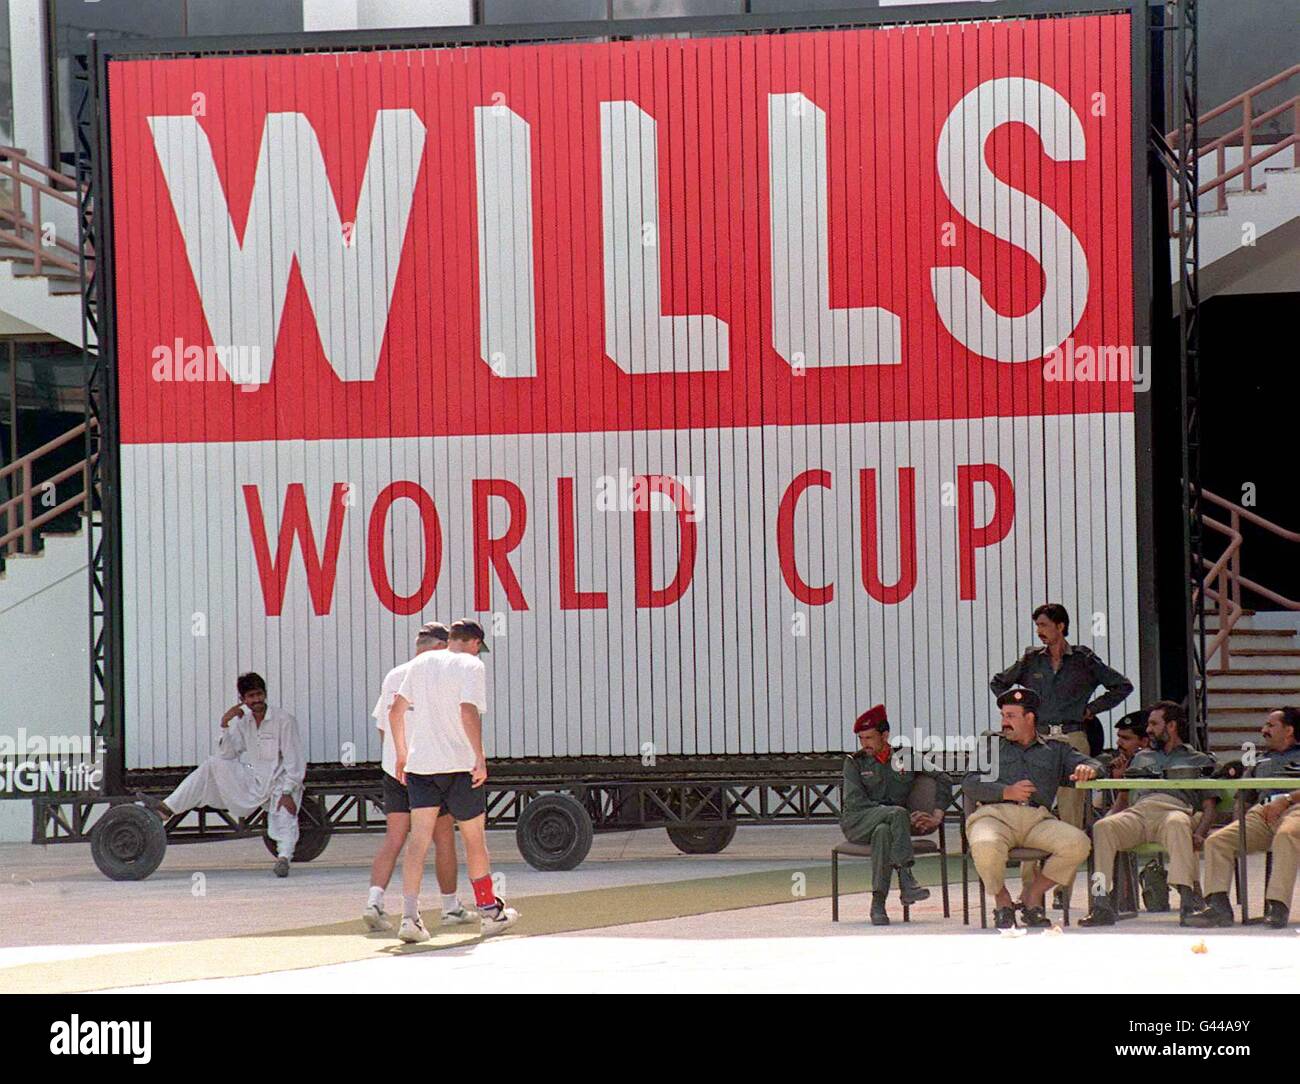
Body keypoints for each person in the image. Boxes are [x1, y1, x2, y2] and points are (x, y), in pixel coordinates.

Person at [990, 603, 1132, 906]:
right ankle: (1030, 892)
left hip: (1072, 734)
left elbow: (1121, 686)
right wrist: (1020, 714)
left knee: (1070, 815)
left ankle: (1059, 889)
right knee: (1029, 811)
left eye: (1044, 625)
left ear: (1061, 626)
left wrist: (1092, 709)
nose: (1040, 632)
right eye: (1038, 626)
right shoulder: (1031, 660)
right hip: (1036, 737)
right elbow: (999, 682)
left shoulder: (1083, 660)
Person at [388, 619, 519, 942]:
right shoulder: (471, 665)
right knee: (474, 839)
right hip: (460, 766)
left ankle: (409, 918)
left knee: (418, 841)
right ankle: (489, 910)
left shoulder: (421, 663)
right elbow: (467, 712)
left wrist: (402, 754)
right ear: (474, 642)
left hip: (421, 767)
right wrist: (480, 756)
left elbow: (395, 711)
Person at [364, 622, 474, 931]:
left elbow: (383, 723)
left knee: (395, 838)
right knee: (442, 838)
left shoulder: (394, 675)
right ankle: (450, 907)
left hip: (394, 768)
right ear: (440, 646)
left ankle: (374, 901)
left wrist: (394, 756)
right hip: (428, 768)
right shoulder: (442, 676)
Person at [138, 673, 305, 877]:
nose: (256, 700)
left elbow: (294, 761)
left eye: (259, 694)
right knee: (212, 765)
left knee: (284, 816)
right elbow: (226, 754)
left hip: (281, 783)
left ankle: (284, 859)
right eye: (251, 696)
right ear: (243, 700)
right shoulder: (244, 723)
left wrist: (288, 791)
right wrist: (225, 723)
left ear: (265, 694)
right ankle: (166, 809)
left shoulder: (283, 720)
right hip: (255, 783)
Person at [962, 688, 1099, 929]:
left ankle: (1032, 896)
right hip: (994, 816)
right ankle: (1002, 901)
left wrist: (1091, 769)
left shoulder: (1056, 749)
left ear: (1030, 718)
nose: (1005, 722)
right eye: (1003, 716)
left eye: (1011, 716)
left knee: (1078, 843)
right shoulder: (991, 743)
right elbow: (970, 781)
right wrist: (1006, 791)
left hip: (1037, 819)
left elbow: (1093, 763)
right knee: (985, 845)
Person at [1079, 700, 1215, 927]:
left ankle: (1188, 901)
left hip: (1175, 810)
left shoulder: (1199, 760)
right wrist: (1108, 817)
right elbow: (1123, 799)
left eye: (1154, 724)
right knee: (1103, 828)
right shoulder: (1141, 758)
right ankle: (1100, 902)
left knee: (1178, 823)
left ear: (1171, 726)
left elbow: (1210, 805)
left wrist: (1201, 832)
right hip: (1139, 813)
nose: (1148, 729)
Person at [1185, 706, 1300, 929]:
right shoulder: (1258, 761)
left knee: (1286, 835)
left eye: (1270, 725)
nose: (1263, 729)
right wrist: (1239, 820)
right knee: (1218, 841)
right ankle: (1218, 908)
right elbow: (1244, 797)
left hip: (1295, 808)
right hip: (1264, 813)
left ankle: (1278, 906)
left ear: (1289, 730)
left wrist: (1286, 799)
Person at [839, 704, 950, 926]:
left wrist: (937, 816)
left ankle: (878, 905)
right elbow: (855, 802)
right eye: (861, 739)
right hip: (858, 821)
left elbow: (943, 777)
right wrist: (892, 813)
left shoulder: (905, 756)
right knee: (896, 815)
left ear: (885, 735)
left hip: (890, 825)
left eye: (869, 738)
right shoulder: (855, 762)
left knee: (883, 833)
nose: (865, 744)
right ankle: (907, 880)